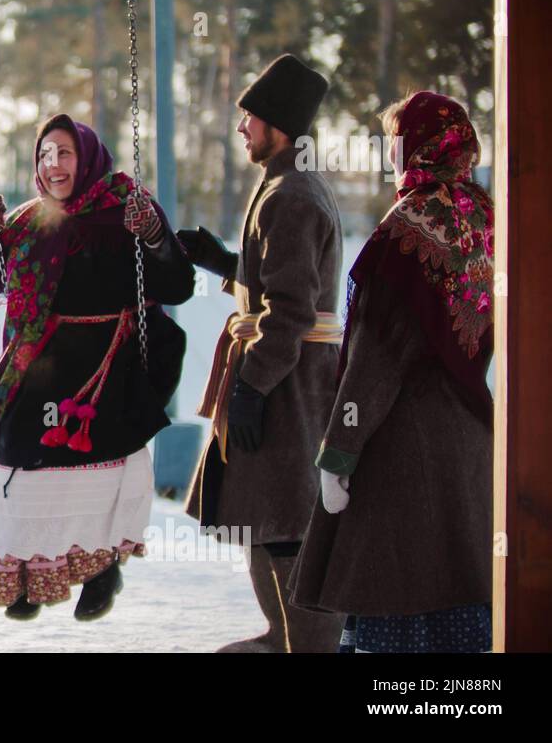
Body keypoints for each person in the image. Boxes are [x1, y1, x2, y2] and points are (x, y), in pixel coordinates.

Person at [0, 114, 194, 622]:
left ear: (88, 157)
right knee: (16, 459)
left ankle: (103, 571)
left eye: (64, 153)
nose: (53, 165)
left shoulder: (126, 211)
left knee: (97, 474)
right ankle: (25, 575)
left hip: (105, 366)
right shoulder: (33, 219)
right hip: (41, 362)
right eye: (45, 155)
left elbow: (177, 284)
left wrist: (156, 236)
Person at [289, 92, 494, 653]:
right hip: (470, 440)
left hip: (405, 448)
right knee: (460, 603)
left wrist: (340, 452)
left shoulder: (411, 225)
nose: (389, 155)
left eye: (395, 142)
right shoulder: (483, 215)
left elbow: (377, 355)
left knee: (398, 604)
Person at [178, 54, 346, 652]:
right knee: (267, 520)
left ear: (278, 124)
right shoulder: (283, 183)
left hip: (289, 384)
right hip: (282, 377)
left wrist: (252, 386)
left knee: (287, 524)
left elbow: (293, 311)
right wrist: (227, 263)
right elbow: (279, 283)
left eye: (250, 117)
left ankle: (310, 644)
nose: (242, 127)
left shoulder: (292, 193)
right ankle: (283, 635)